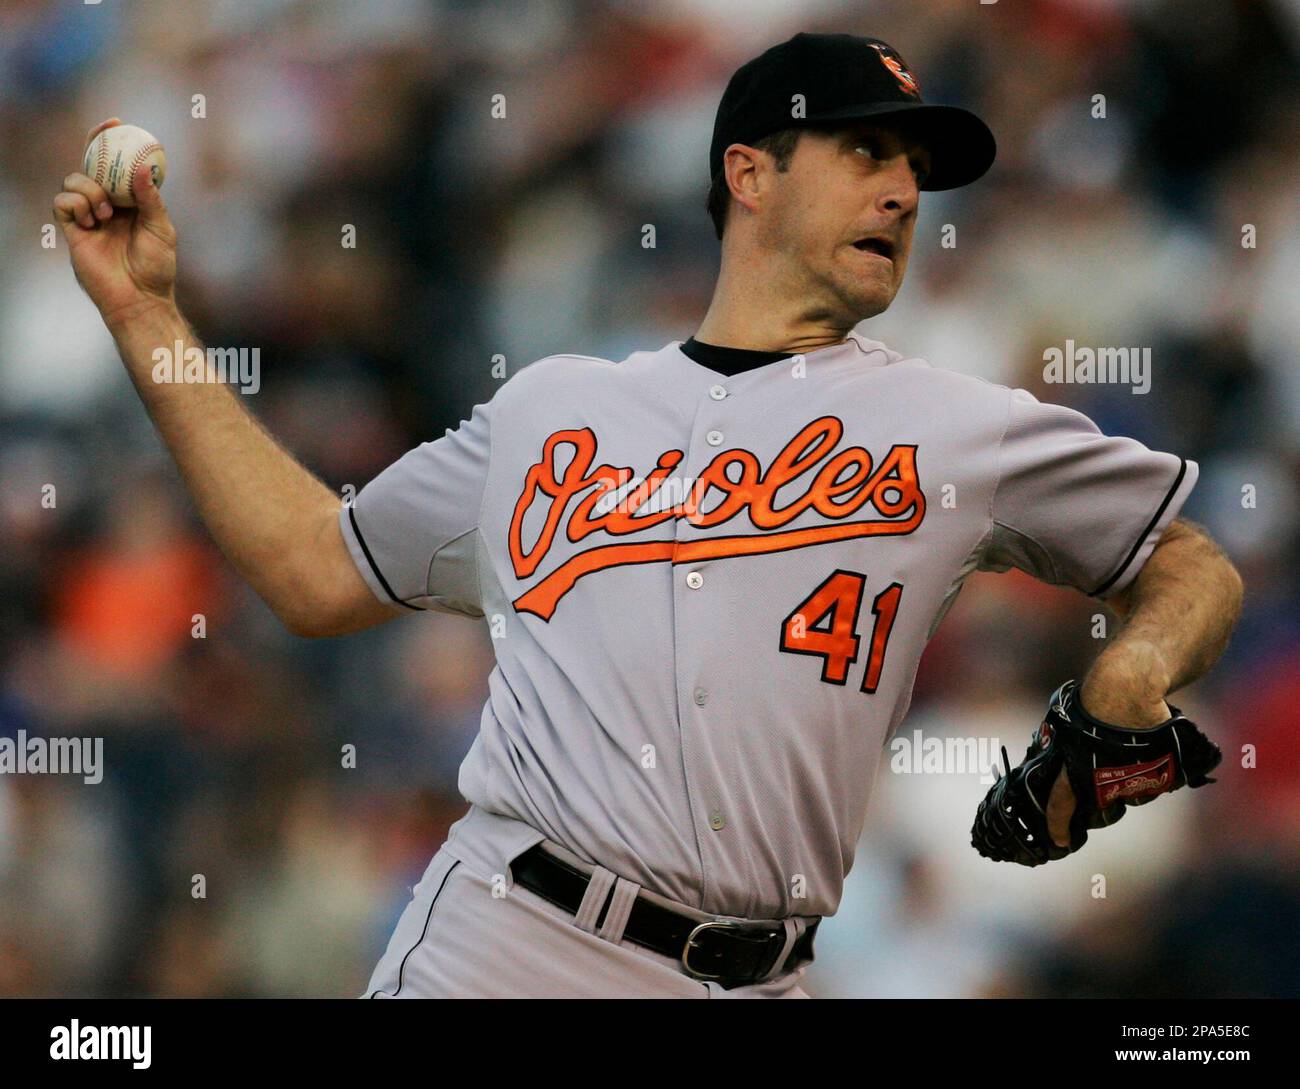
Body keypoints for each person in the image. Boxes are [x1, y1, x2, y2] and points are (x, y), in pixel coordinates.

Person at [54, 32, 1242, 998]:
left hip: (765, 975)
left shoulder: (964, 430)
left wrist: (1129, 677)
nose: (900, 189)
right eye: (866, 149)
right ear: (748, 172)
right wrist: (148, 321)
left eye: (913, 171)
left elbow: (1191, 565)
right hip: (507, 948)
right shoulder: (553, 409)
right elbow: (317, 573)